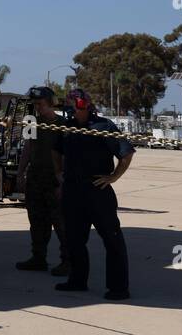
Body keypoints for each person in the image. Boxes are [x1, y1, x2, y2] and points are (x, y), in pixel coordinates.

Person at [52, 88, 134, 300]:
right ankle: (77, 281)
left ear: (85, 106)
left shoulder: (104, 126)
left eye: (74, 107)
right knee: (74, 239)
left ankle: (118, 288)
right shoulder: (67, 128)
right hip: (72, 190)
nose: (71, 111)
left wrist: (114, 177)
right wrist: (59, 173)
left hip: (98, 190)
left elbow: (126, 153)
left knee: (112, 239)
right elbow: (56, 150)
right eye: (69, 107)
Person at [15, 86, 69, 275]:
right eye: (35, 104)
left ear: (50, 103)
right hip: (36, 178)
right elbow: (27, 149)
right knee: (37, 221)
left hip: (54, 180)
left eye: (40, 104)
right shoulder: (32, 123)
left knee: (61, 223)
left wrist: (62, 181)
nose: (37, 108)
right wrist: (21, 173)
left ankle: (67, 261)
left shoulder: (63, 125)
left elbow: (66, 155)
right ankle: (38, 257)